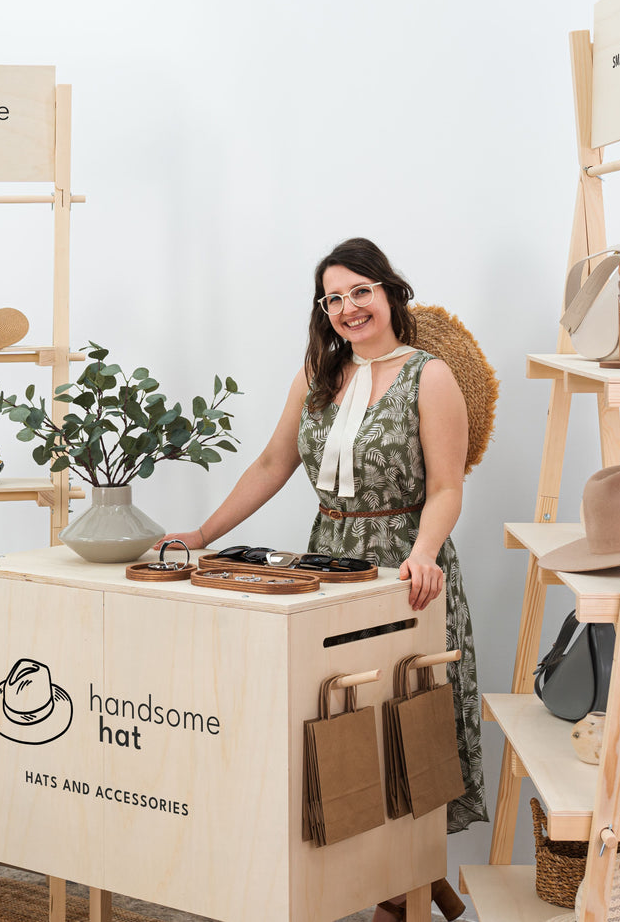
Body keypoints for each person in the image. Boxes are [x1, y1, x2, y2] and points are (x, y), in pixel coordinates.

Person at [157, 237, 488, 918]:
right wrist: (201, 535)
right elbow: (271, 465)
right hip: (329, 566)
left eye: (360, 291)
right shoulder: (316, 374)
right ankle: (404, 884)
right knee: (343, 723)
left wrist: (424, 552)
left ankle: (406, 886)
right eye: (333, 298)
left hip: (404, 569)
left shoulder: (430, 377)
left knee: (406, 719)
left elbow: (448, 488)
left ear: (390, 292)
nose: (347, 307)